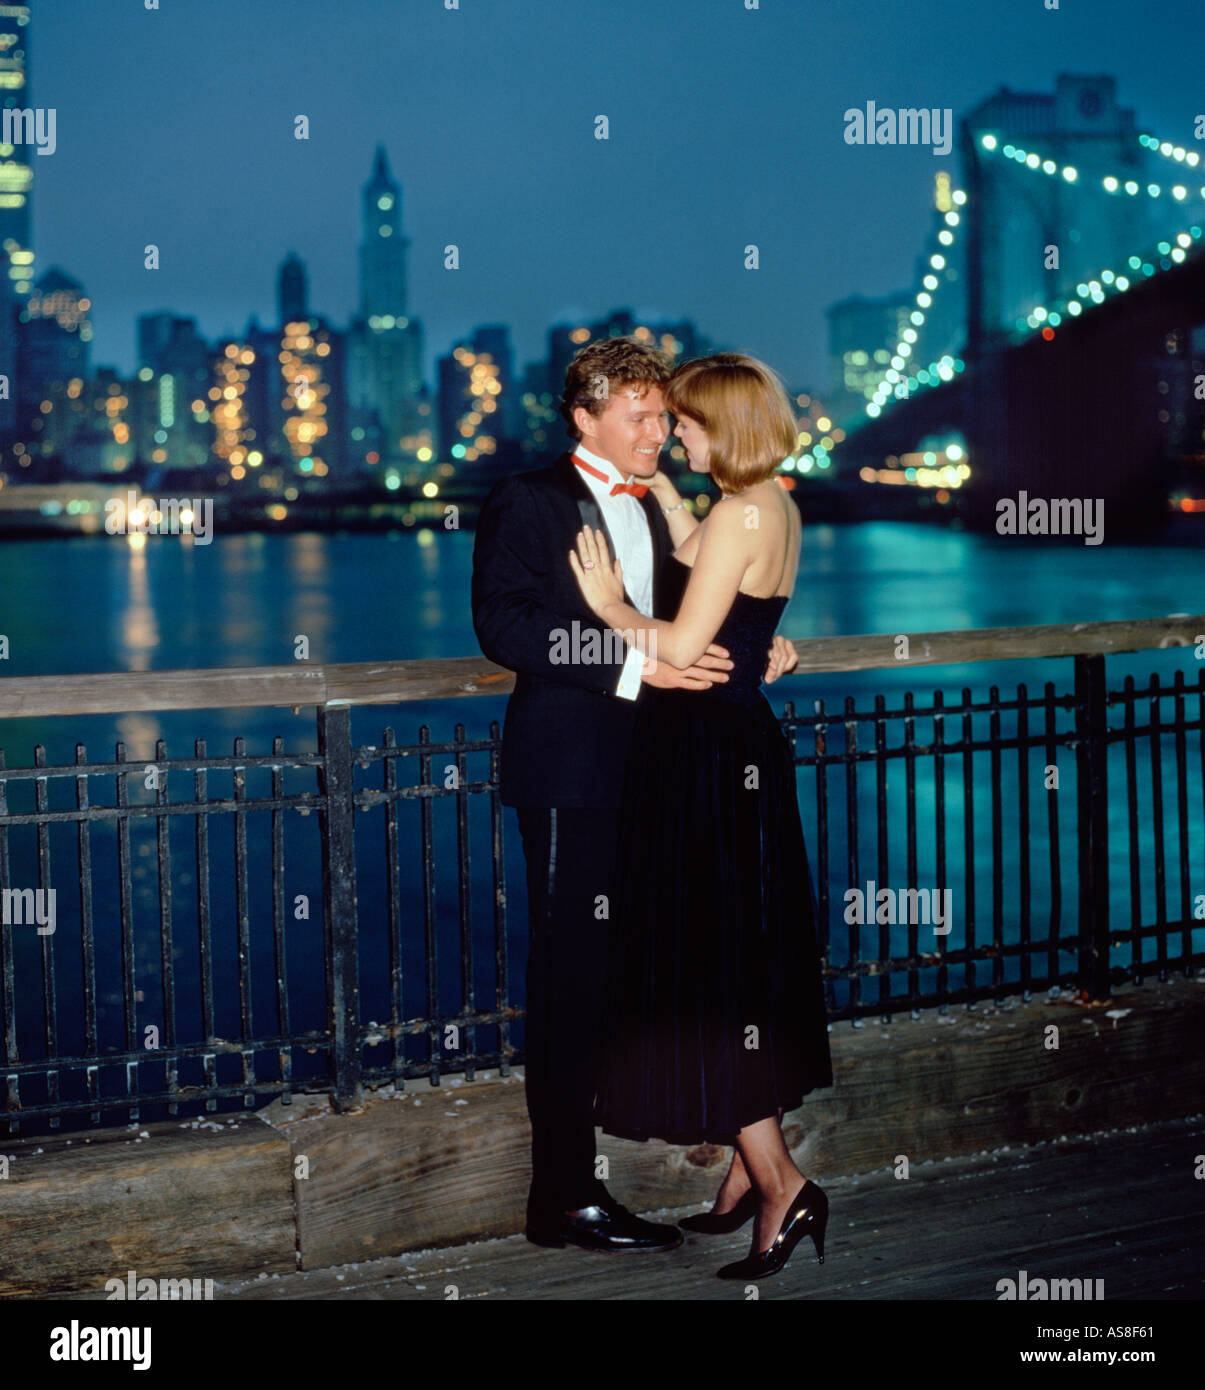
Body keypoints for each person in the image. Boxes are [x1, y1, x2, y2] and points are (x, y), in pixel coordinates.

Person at [471, 337, 797, 1254]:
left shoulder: (665, 506)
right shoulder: (529, 498)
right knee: (572, 981)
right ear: (585, 417)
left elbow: (705, 597)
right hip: (575, 775)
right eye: (641, 416)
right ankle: (564, 1197)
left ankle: (733, 1163)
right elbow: (504, 626)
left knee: (656, 974)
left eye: (666, 416)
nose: (659, 429)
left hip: (666, 777)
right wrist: (632, 665)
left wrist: (759, 645)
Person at [567, 352, 834, 1280]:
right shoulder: (775, 504)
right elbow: (718, 588)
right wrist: (682, 512)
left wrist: (605, 607)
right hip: (736, 745)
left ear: (721, 425)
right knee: (729, 960)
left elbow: (682, 640)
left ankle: (782, 1186)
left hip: (705, 761)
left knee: (706, 970)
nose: (674, 433)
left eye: (685, 421)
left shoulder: (740, 512)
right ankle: (744, 1179)